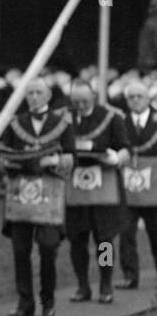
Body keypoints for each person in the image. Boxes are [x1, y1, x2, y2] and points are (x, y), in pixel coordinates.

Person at [0, 75, 74, 316]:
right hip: (22, 194)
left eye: (37, 93)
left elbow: (72, 156)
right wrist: (8, 162)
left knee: (50, 247)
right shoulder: (16, 123)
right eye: (29, 93)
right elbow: (2, 155)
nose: (33, 97)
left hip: (54, 192)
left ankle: (51, 298)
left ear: (48, 96)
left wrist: (56, 160)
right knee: (21, 250)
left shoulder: (62, 122)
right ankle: (25, 302)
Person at [63, 80, 128, 304]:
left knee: (104, 241)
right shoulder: (64, 118)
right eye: (75, 101)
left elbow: (124, 149)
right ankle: (82, 285)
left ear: (93, 97)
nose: (79, 105)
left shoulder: (111, 117)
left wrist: (116, 158)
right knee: (77, 240)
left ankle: (106, 283)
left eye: (84, 101)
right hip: (75, 186)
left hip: (104, 187)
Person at [120, 80, 157, 288]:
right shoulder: (120, 122)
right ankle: (128, 276)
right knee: (124, 235)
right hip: (127, 189)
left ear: (148, 98)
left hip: (154, 189)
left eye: (139, 96)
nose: (135, 101)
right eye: (131, 97)